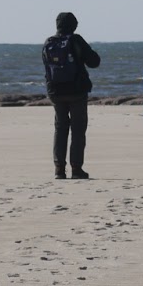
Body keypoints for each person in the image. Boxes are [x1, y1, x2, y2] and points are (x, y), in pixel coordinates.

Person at [42, 12, 101, 180]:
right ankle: (76, 168)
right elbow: (94, 62)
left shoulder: (49, 42)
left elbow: (47, 69)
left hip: (55, 92)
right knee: (78, 130)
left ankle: (59, 169)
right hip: (76, 92)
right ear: (73, 25)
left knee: (60, 129)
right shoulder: (76, 40)